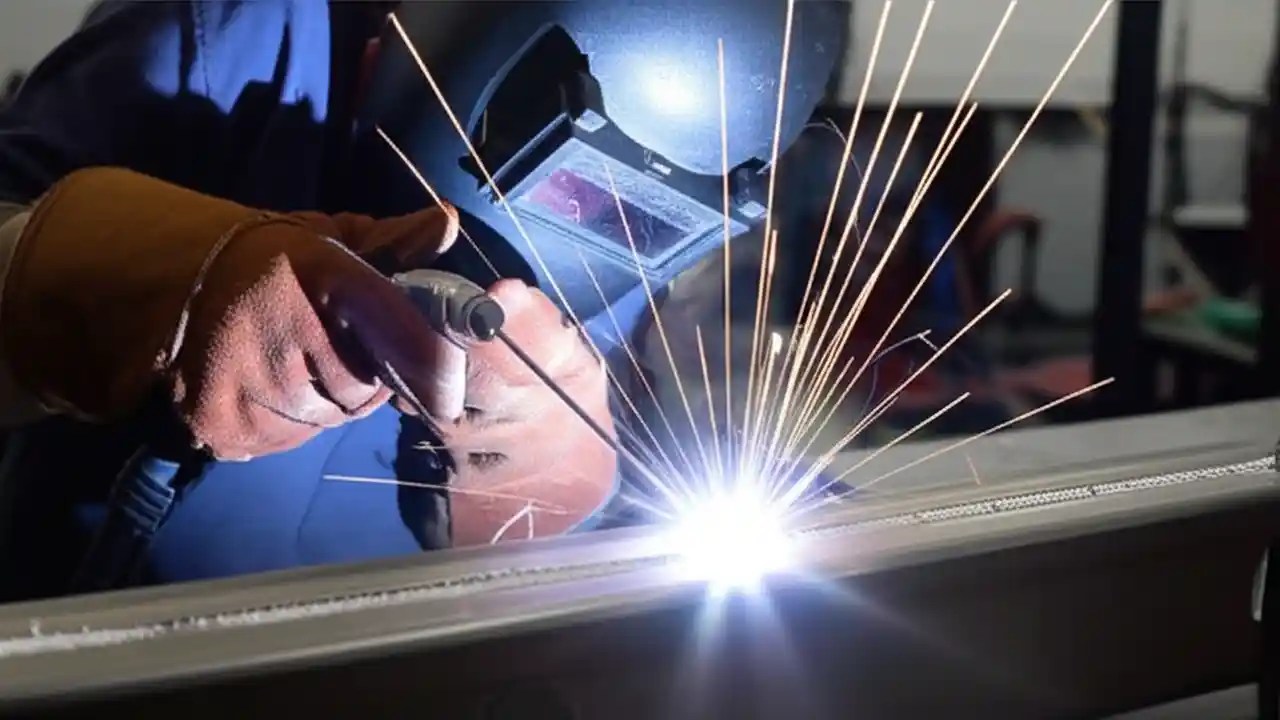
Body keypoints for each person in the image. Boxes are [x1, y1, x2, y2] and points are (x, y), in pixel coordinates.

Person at [0, 0, 845, 601]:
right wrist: (136, 280)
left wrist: (576, 506)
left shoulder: (642, 227)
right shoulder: (224, 39)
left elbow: (661, 468)